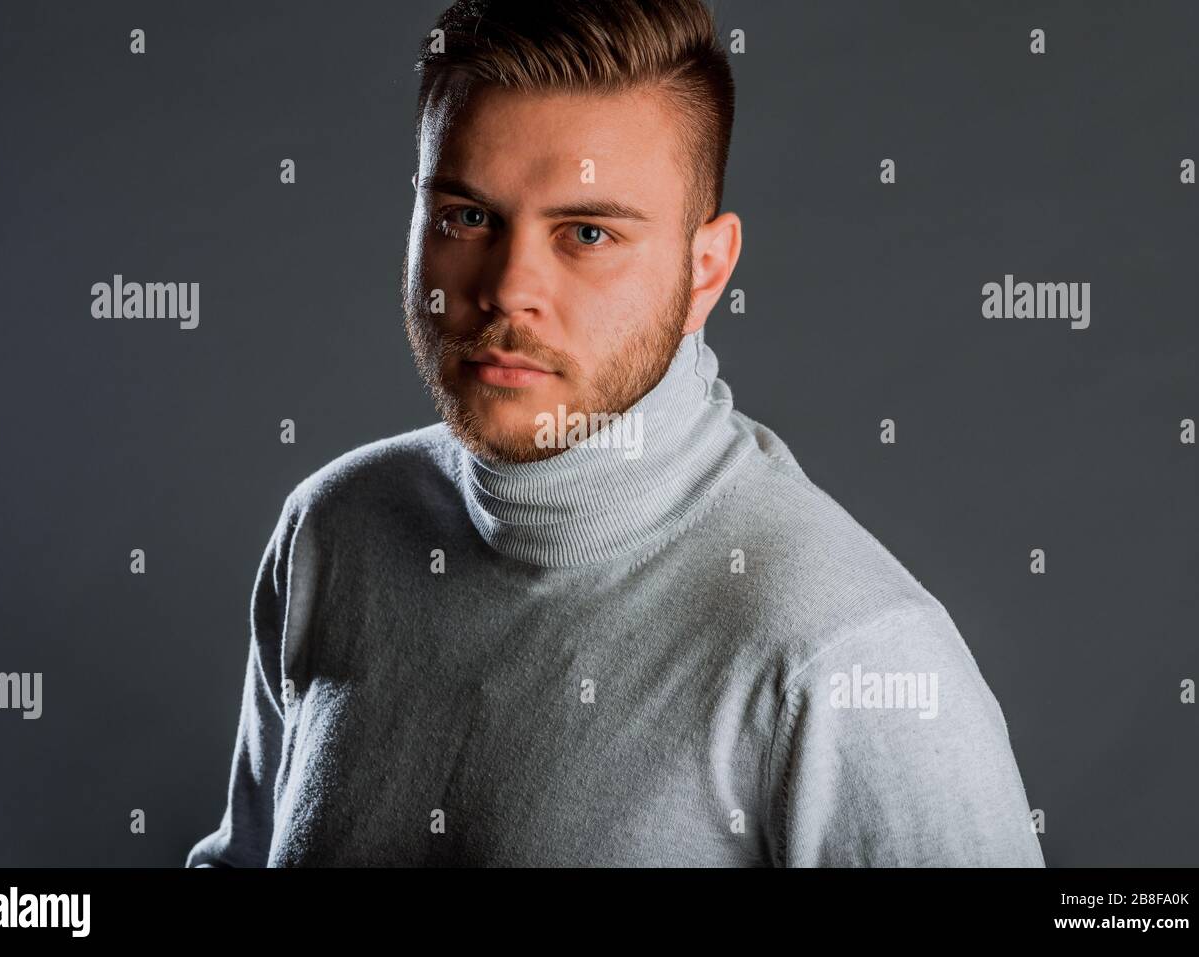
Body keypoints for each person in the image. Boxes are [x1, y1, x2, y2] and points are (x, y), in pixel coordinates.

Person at [186, 0, 1045, 867]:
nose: (509, 288)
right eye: (467, 217)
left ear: (705, 271)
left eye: (588, 232)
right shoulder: (333, 529)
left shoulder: (847, 656)